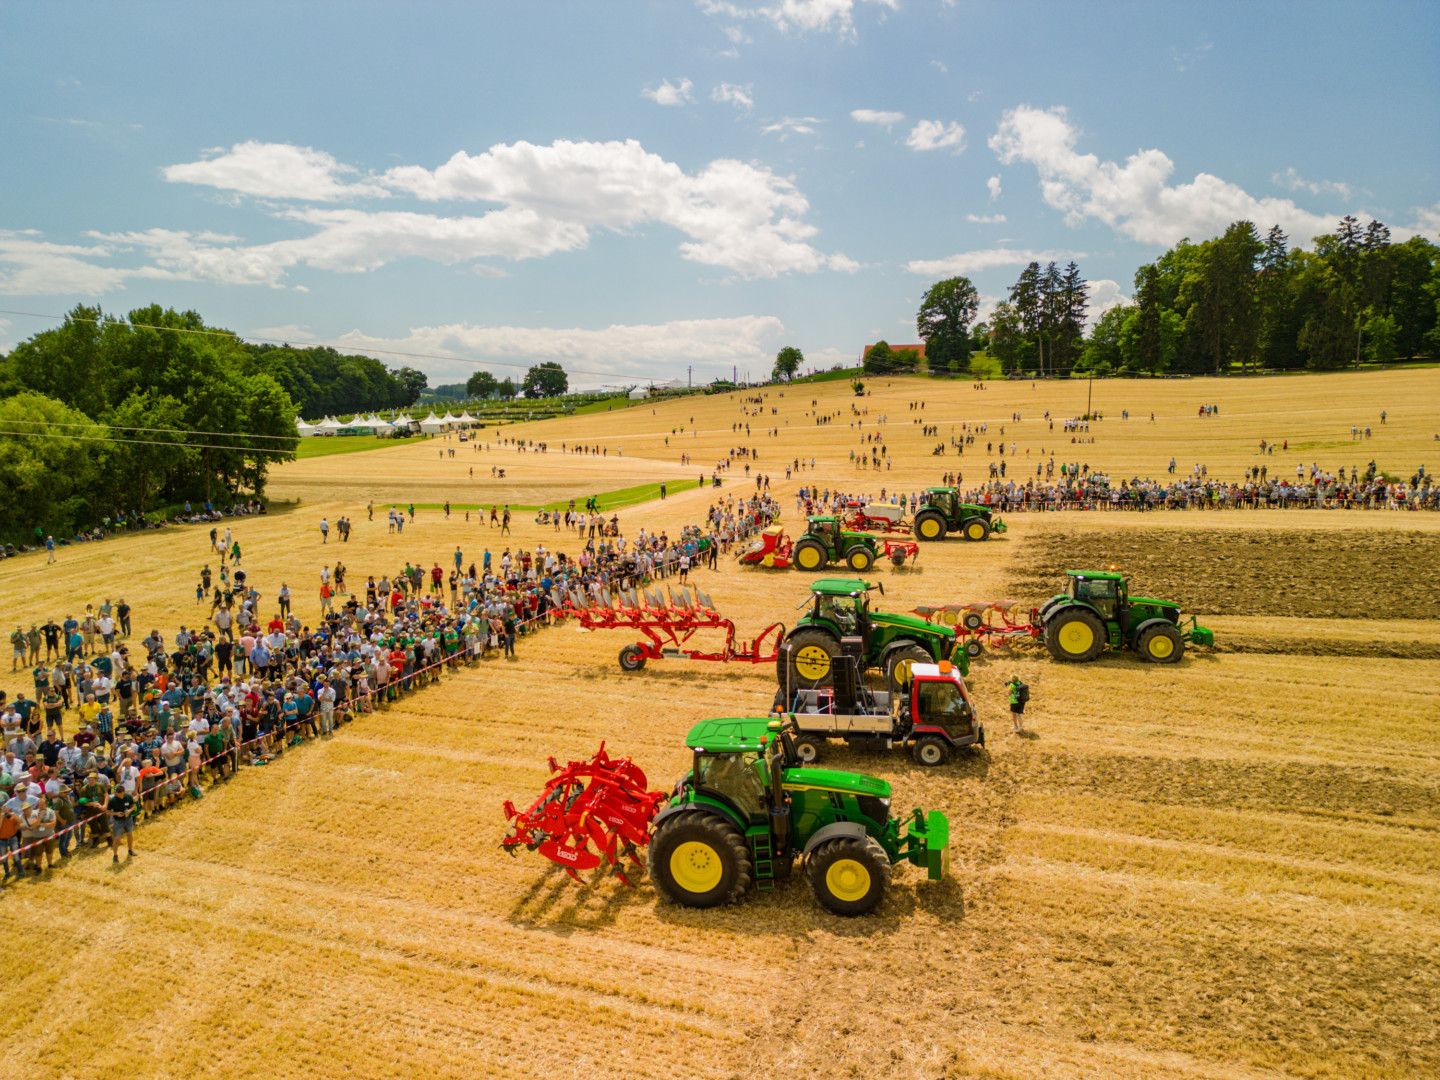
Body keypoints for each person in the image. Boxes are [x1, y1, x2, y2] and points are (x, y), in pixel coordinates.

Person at [107, 785, 138, 862]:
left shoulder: (128, 797)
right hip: (118, 821)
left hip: (128, 819)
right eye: (117, 793)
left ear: (123, 792)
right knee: (117, 839)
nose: (118, 795)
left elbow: (134, 806)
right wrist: (116, 813)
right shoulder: (113, 800)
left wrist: (129, 811)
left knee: (129, 835)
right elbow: (107, 812)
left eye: (120, 793)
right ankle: (115, 856)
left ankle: (130, 850)